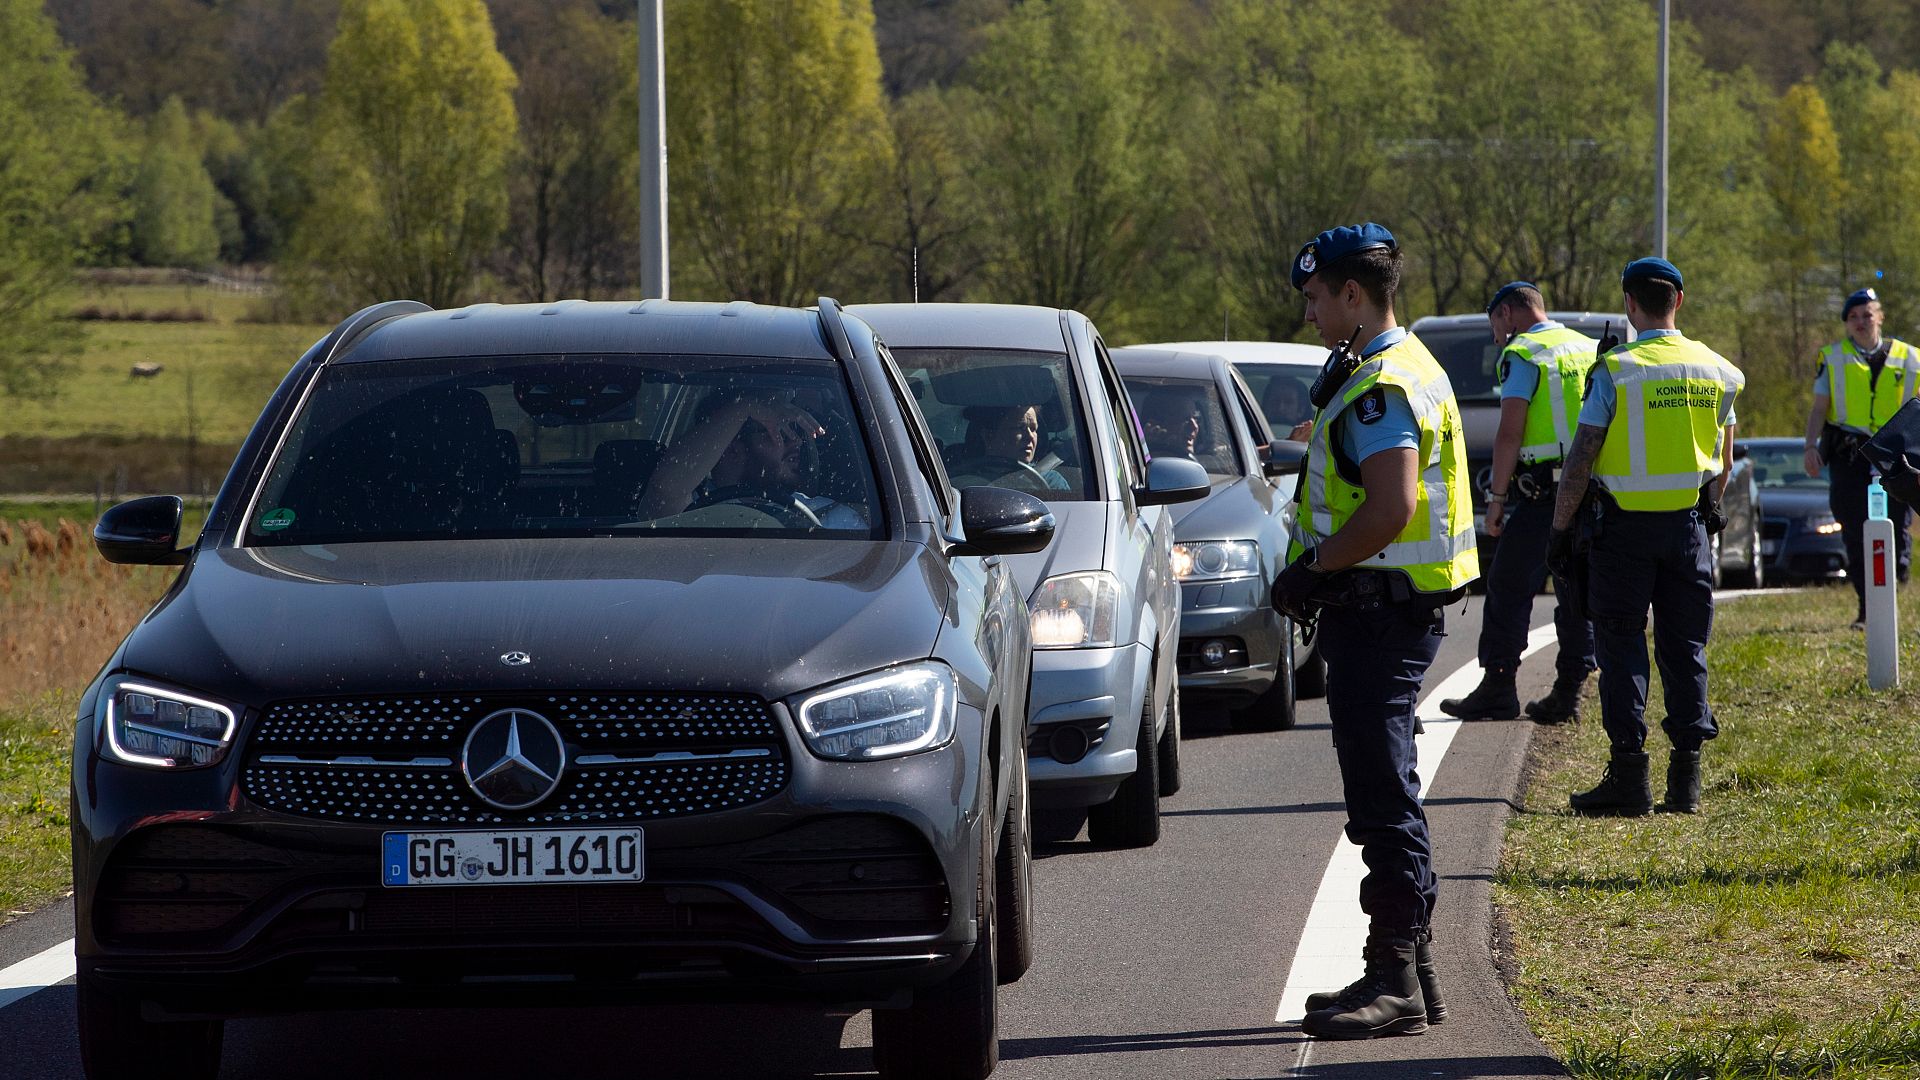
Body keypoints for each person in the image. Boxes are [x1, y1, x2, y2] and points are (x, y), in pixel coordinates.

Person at [1269, 222, 1479, 1040]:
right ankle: (1411, 972)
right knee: (1387, 790)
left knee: (1382, 798)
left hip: (1376, 613)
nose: (1313, 313)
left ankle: (1394, 977)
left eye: (1318, 298)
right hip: (1389, 611)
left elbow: (1390, 508)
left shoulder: (1381, 388)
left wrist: (1311, 569)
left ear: (1353, 294)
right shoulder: (1404, 364)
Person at [1547, 257, 1744, 817]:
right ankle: (1686, 781)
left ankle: (1629, 778)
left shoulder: (1616, 370)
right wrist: (1708, 507)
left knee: (1621, 643)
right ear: (1678, 301)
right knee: (1685, 647)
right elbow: (1723, 464)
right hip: (1687, 529)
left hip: (1622, 534)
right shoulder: (1719, 371)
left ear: (1630, 305)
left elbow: (1581, 460)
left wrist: (1560, 530)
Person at [1440, 283, 1598, 724]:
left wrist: (1496, 500)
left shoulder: (1524, 353)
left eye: (1495, 325)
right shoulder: (1585, 348)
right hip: (1590, 492)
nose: (1496, 338)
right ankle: (1569, 690)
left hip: (1545, 494)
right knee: (1574, 591)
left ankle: (1498, 687)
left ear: (1508, 313)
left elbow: (1510, 432)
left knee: (1508, 584)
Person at [1801, 287, 1918, 628]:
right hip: (1849, 454)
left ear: (1879, 316)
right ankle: (1868, 609)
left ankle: (1891, 594)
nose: (1861, 322)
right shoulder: (1832, 357)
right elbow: (1819, 409)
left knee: (1896, 525)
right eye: (1853, 317)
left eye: (1867, 314)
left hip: (1896, 454)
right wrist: (1810, 446)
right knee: (1854, 529)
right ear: (1846, 324)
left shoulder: (1911, 357)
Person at [638, 391, 865, 529]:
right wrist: (743, 408)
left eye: (794, 431)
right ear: (731, 449)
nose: (795, 442)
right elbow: (664, 491)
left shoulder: (831, 518)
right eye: (776, 432)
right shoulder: (686, 514)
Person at [952, 404, 1071, 492]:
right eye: (1020, 427)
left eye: (1034, 429)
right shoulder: (960, 482)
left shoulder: (1049, 482)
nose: (1030, 436)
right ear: (989, 436)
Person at [1136, 388, 1202, 460]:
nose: (1194, 426)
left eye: (1196, 418)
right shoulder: (1135, 462)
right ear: (1155, 425)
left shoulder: (1208, 464)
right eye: (1185, 419)